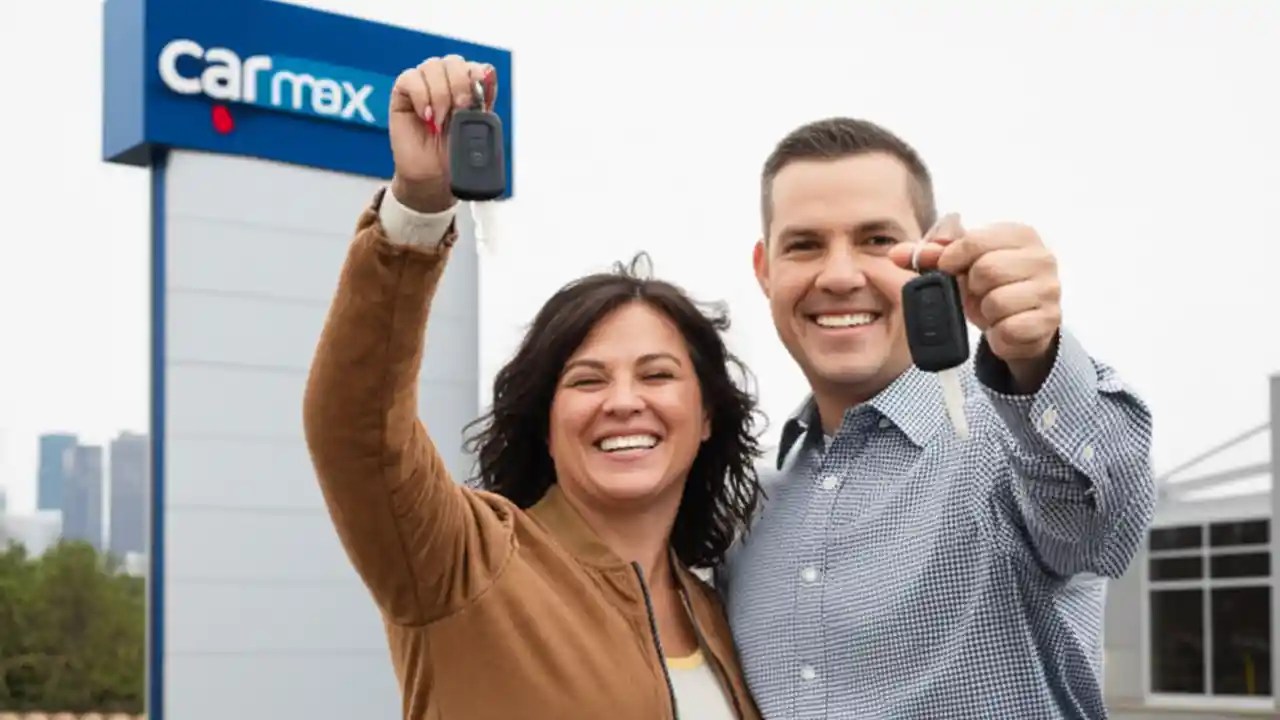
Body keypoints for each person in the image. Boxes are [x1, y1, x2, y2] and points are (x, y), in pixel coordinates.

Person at [302, 54, 764, 720]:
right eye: (586, 379)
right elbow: (355, 427)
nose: (624, 401)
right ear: (546, 423)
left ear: (708, 415)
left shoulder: (718, 612)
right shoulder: (465, 562)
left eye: (658, 374)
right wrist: (418, 209)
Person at [718, 117, 1156, 719]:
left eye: (876, 240)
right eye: (805, 244)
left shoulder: (1008, 447)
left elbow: (1107, 525)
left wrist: (1034, 357)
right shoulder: (749, 513)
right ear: (765, 268)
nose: (841, 275)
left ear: (932, 260)